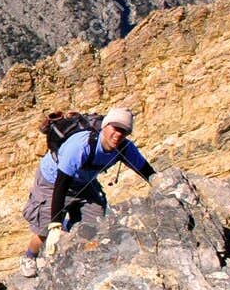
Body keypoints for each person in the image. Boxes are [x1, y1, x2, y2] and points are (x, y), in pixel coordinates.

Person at [19, 106, 154, 277]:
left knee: (94, 223)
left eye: (124, 131)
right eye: (115, 128)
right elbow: (62, 183)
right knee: (45, 229)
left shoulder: (124, 148)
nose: (118, 134)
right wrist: (55, 224)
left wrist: (159, 184)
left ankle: (70, 237)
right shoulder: (81, 145)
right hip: (53, 180)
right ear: (105, 126)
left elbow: (145, 170)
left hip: (83, 181)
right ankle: (30, 256)